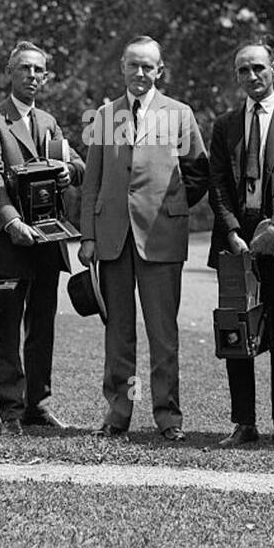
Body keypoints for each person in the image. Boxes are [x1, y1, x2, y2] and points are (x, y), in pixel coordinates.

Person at [79, 36, 209, 442]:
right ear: (122, 66)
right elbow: (91, 182)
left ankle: (168, 416)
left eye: (147, 67)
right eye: (133, 65)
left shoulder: (180, 114)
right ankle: (118, 413)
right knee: (118, 332)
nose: (139, 73)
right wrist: (88, 237)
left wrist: (174, 204)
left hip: (161, 239)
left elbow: (199, 171)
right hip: (113, 238)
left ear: (159, 71)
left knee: (162, 333)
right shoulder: (103, 116)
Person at [0, 41, 85, 435]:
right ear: (10, 71)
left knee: (42, 325)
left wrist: (71, 170)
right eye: (25, 69)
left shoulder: (50, 121)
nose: (32, 76)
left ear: (46, 77)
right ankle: (11, 411)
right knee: (7, 325)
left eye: (39, 71)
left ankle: (39, 403)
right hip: (12, 241)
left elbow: (76, 163)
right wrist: (10, 221)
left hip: (49, 241)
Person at [207, 43, 274, 449]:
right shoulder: (225, 125)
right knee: (237, 330)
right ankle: (243, 422)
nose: (252, 76)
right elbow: (217, 184)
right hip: (236, 239)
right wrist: (233, 230)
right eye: (243, 70)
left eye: (258, 68)